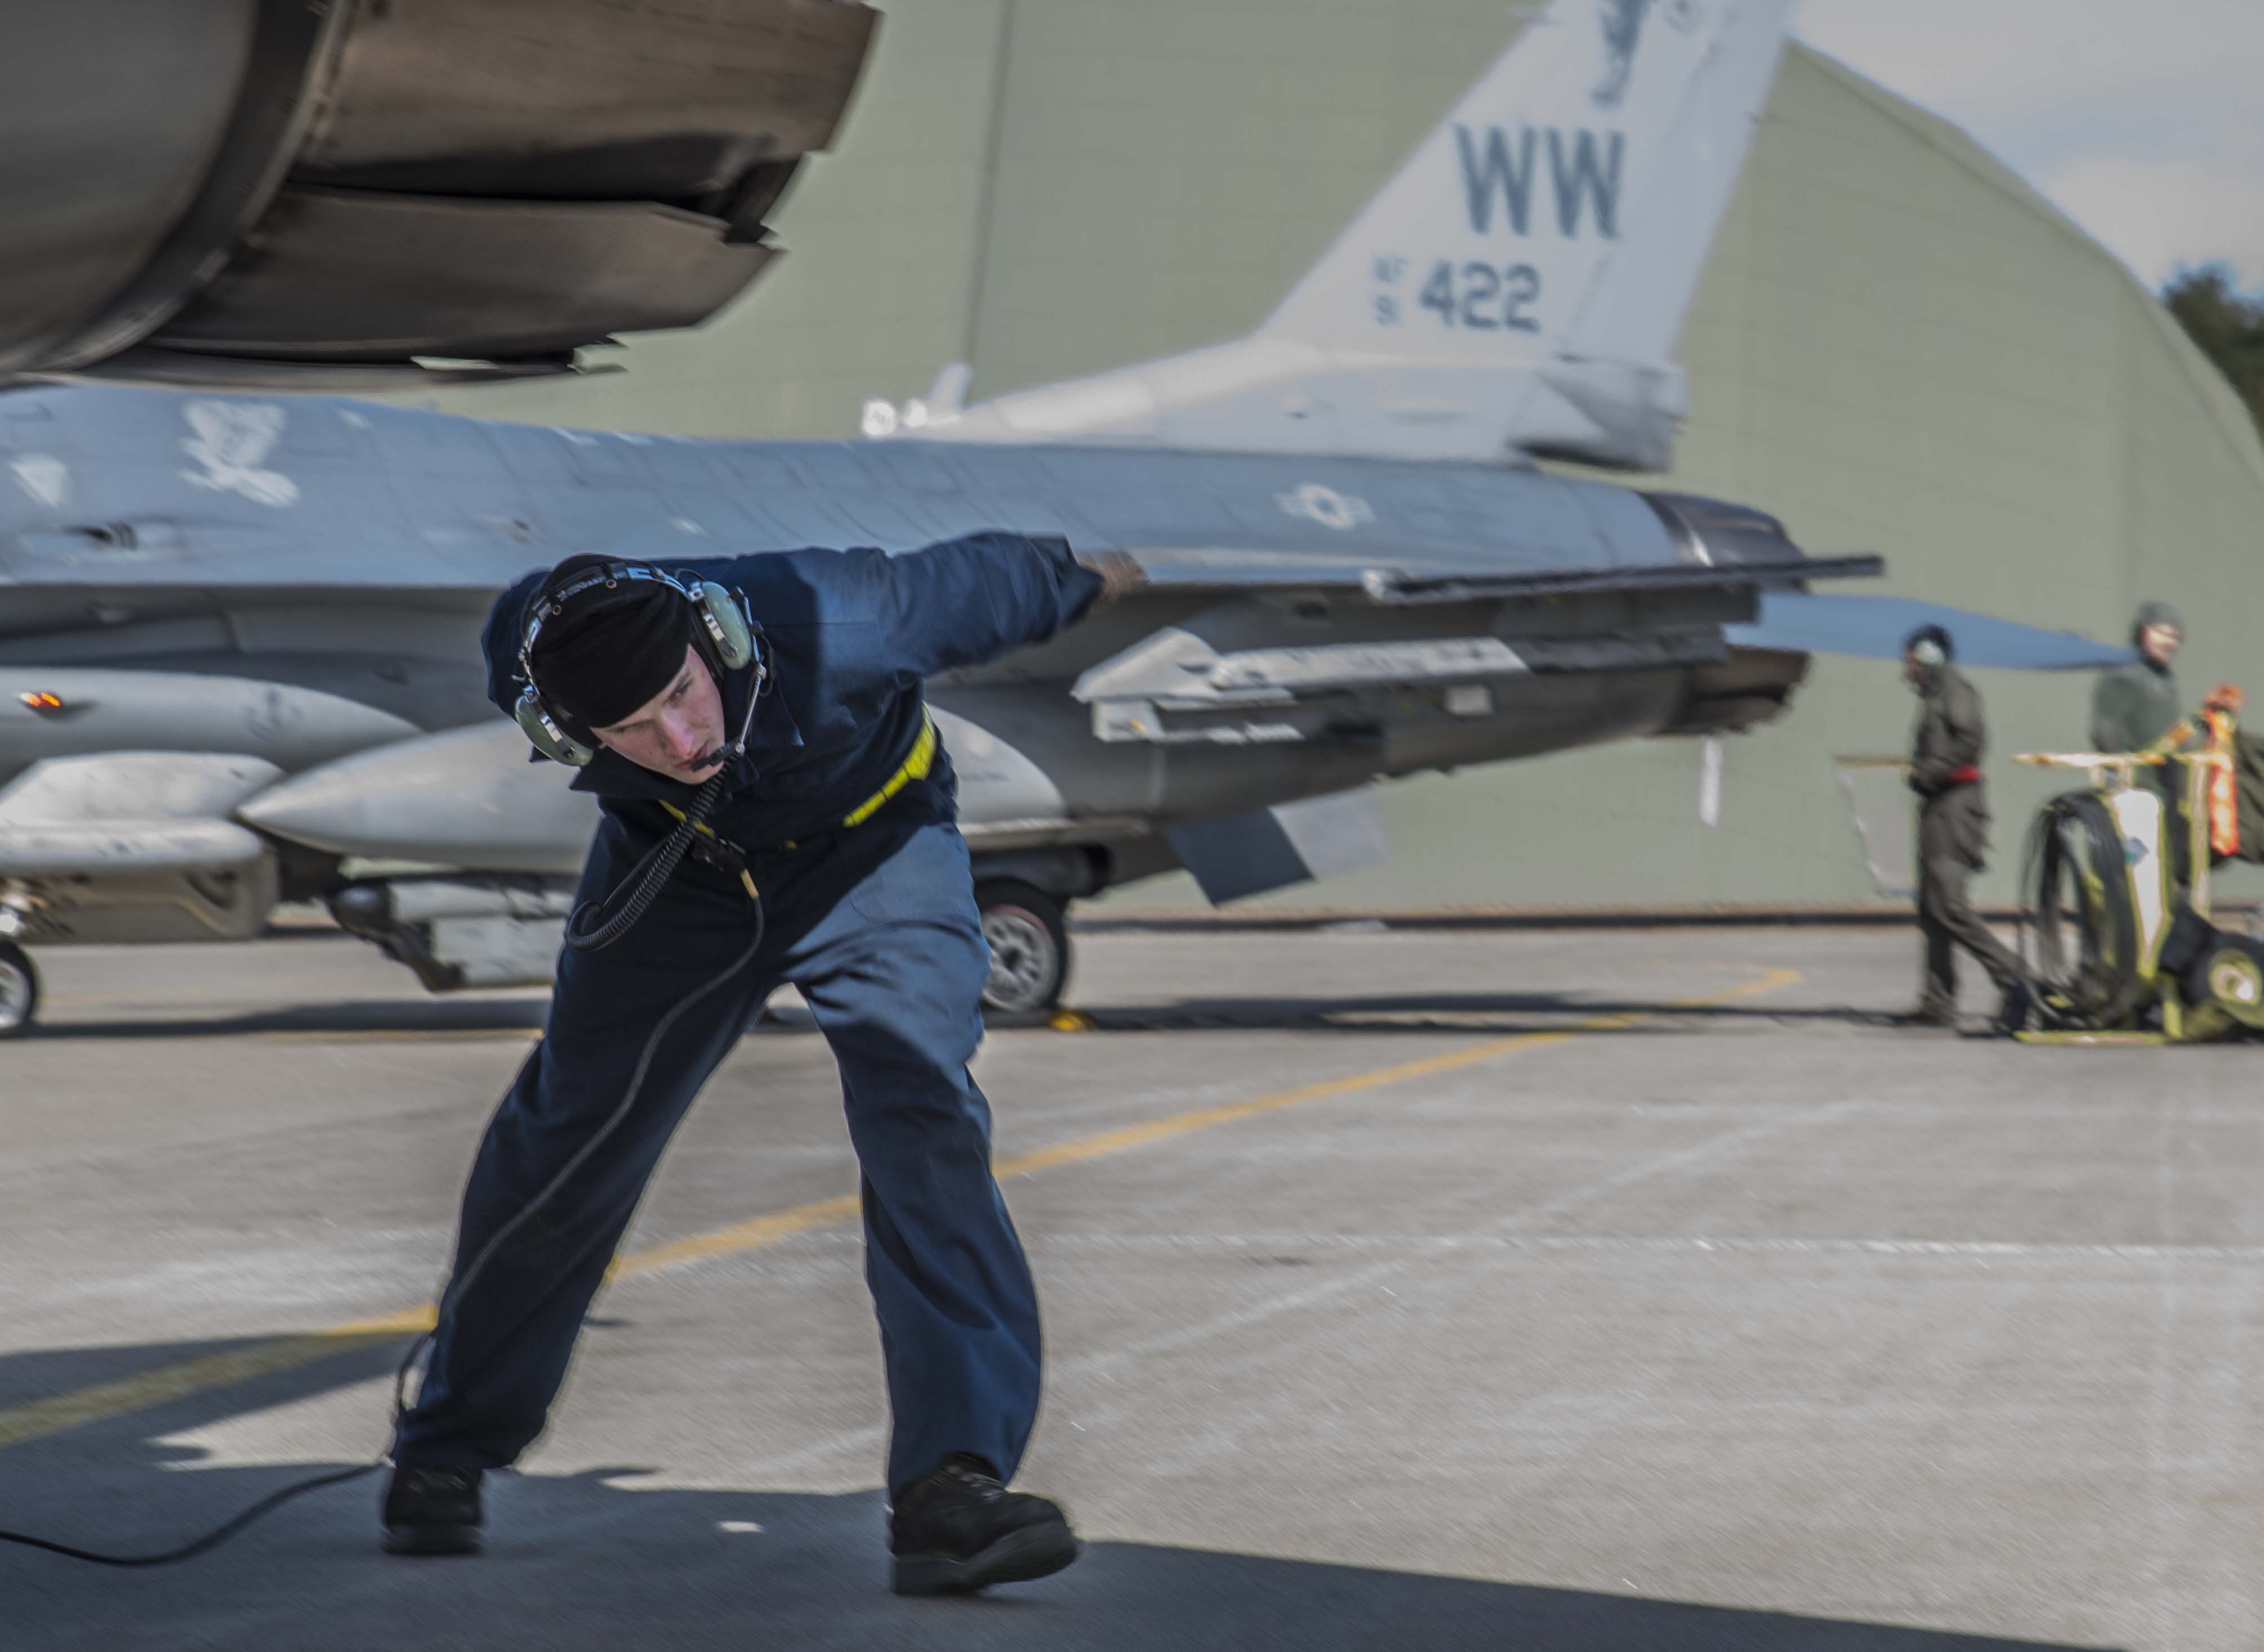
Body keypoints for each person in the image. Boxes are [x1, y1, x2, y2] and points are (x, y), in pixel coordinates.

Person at [381, 532, 1143, 1595]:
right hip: (678, 874)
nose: (680, 737)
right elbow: (524, 618)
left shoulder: (845, 616)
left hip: (875, 853)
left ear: (721, 641)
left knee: (921, 1108)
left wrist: (1091, 572)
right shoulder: (529, 648)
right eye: (631, 730)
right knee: (571, 1131)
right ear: (563, 730)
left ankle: (951, 1488)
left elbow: (994, 583)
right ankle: (446, 1446)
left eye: (682, 696)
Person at [1896, 625, 2031, 1031]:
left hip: (1955, 808)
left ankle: (2016, 977)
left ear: (1928, 656)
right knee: (1932, 908)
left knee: (1950, 906)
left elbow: (1972, 740)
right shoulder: (1938, 694)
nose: (1906, 668)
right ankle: (1938, 1000)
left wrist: (1930, 771)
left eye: (1911, 660)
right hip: (1939, 806)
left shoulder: (1955, 691)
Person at [2091, 600, 2191, 880]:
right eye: (2160, 632)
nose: (2168, 642)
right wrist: (2130, 779)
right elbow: (2106, 734)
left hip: (2166, 788)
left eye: (2175, 636)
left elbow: (2168, 735)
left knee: (2166, 865)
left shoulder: (2165, 679)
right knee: (2134, 865)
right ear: (2142, 632)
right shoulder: (2122, 676)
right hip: (2133, 787)